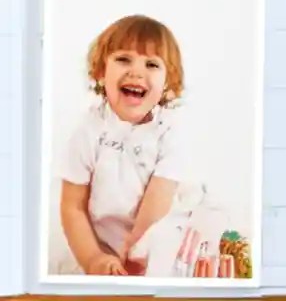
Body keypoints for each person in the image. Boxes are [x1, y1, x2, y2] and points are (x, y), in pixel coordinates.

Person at [57, 14, 193, 276]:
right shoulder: (88, 131)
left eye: (152, 64)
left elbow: (157, 203)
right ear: (100, 71)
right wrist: (94, 258)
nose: (137, 72)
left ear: (168, 83)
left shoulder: (169, 133)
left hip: (153, 237)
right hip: (101, 240)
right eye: (123, 59)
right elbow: (72, 206)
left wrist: (133, 254)